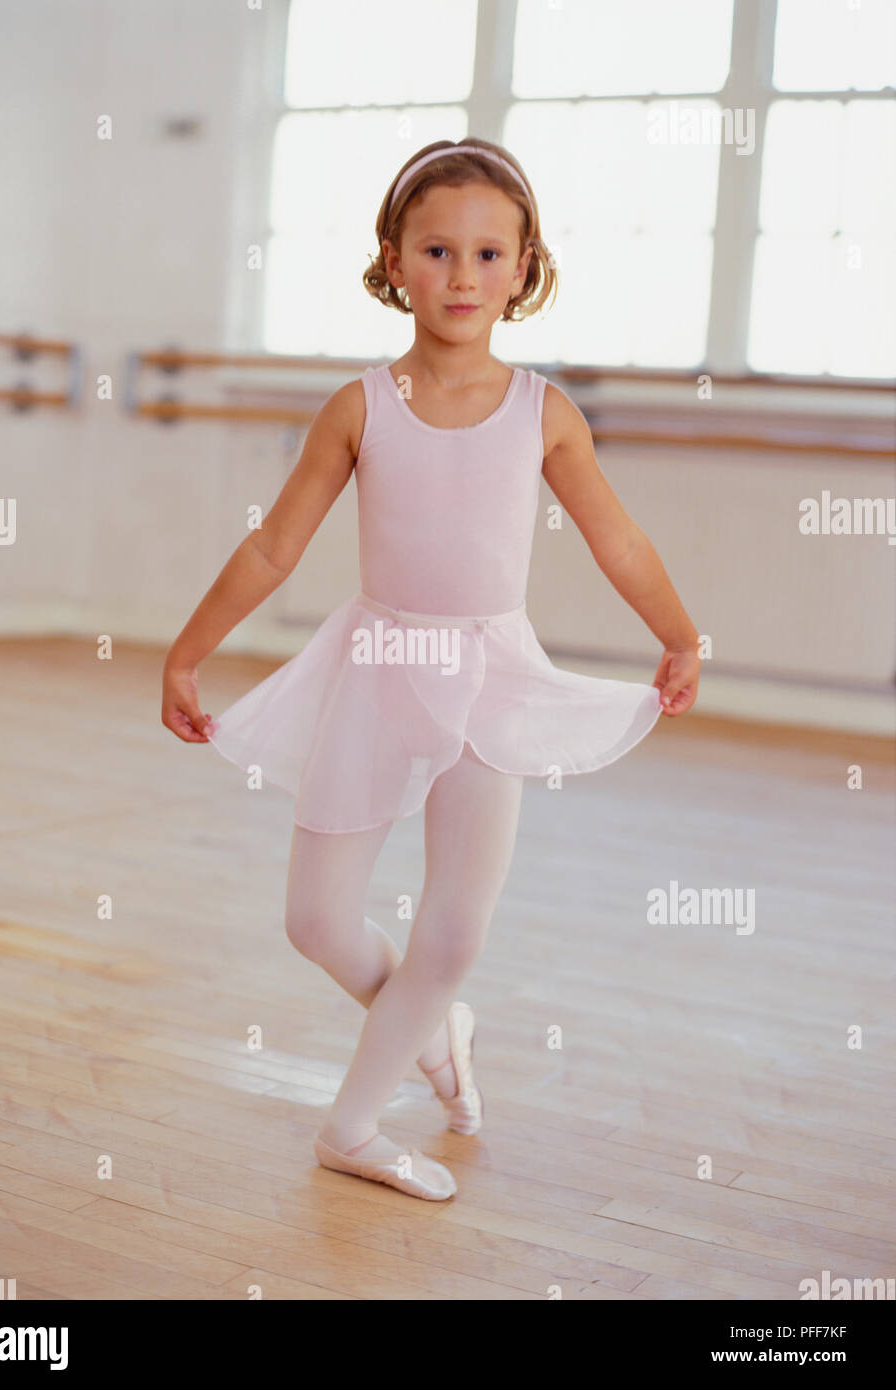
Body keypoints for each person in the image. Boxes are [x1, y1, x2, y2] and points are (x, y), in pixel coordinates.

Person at [161, 138, 701, 1202]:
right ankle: (434, 1032)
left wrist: (679, 636)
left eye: (487, 252)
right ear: (394, 260)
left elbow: (619, 542)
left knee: (451, 929)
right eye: (438, 250)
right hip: (376, 668)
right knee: (315, 918)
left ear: (522, 266)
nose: (462, 274)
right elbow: (273, 546)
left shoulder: (542, 413)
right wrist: (186, 655)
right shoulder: (359, 406)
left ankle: (352, 1125)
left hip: (489, 675)